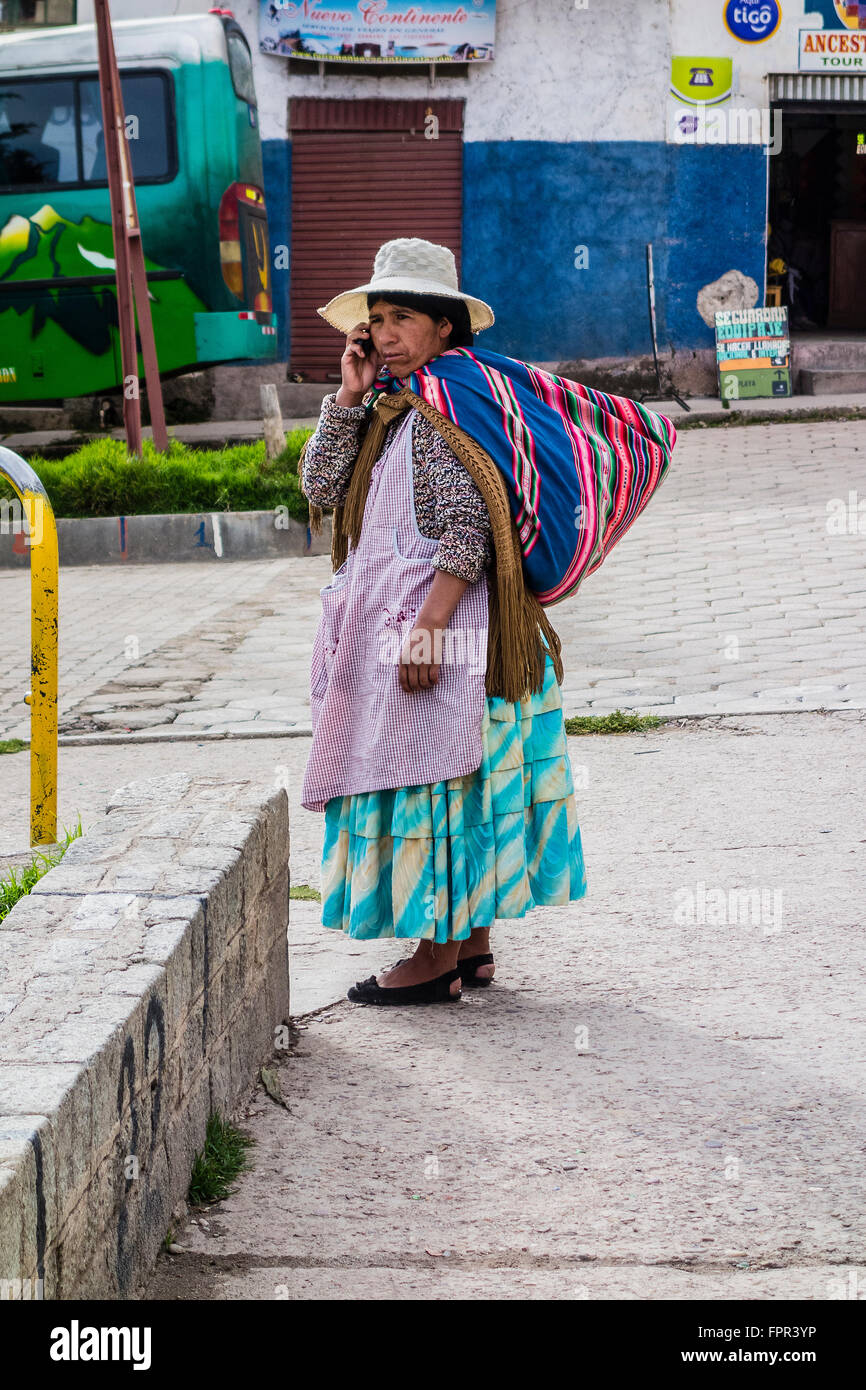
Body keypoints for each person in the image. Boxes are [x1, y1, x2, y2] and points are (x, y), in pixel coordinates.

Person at [299, 238, 587, 1006]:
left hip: (449, 630)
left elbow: (467, 527)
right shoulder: (396, 404)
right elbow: (320, 484)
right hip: (458, 633)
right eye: (378, 320)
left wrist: (427, 627)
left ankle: (434, 956)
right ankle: (475, 942)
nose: (385, 334)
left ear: (447, 329)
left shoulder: (441, 408)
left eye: (403, 319)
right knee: (475, 774)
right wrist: (350, 395)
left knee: (436, 780)